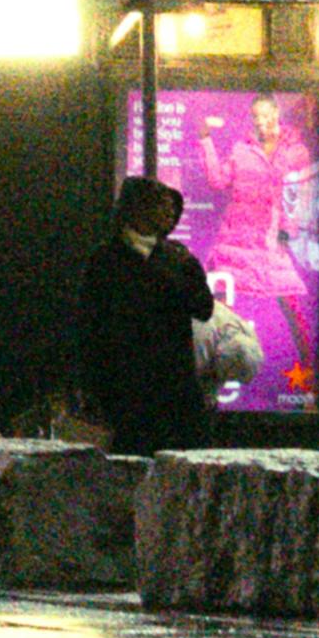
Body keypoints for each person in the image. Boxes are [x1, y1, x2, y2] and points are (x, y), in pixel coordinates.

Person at [79, 174, 218, 453]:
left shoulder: (177, 259)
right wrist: (91, 386)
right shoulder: (105, 260)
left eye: (171, 207)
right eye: (161, 205)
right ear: (137, 209)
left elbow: (204, 308)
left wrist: (187, 273)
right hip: (125, 390)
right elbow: (89, 326)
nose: (170, 213)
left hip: (175, 389)